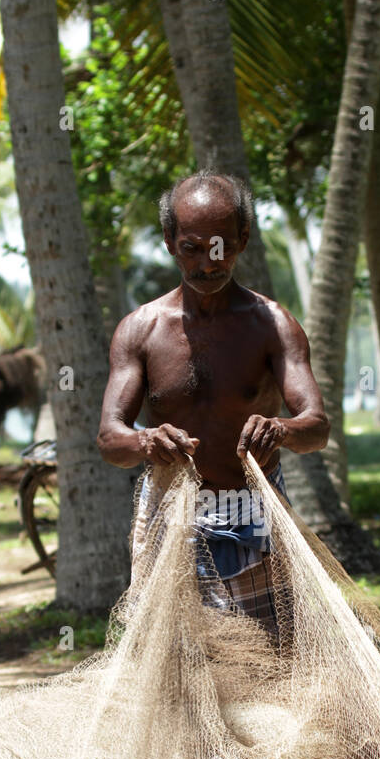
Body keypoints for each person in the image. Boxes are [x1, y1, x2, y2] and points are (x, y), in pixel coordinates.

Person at [97, 170, 329, 638]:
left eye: (222, 245)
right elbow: (109, 439)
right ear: (169, 241)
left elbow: (317, 426)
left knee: (272, 650)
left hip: (251, 509)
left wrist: (281, 430)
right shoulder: (141, 329)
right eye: (193, 248)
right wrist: (146, 440)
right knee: (178, 658)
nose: (208, 262)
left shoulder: (272, 325)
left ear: (242, 240)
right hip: (171, 512)